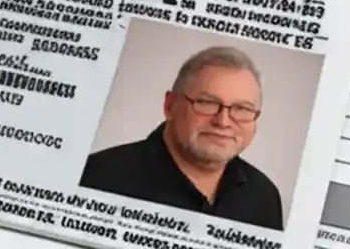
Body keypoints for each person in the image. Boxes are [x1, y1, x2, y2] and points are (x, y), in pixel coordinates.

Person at [78, 46, 284, 230]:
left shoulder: (263, 196)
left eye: (242, 108)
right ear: (170, 106)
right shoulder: (97, 177)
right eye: (207, 103)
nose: (223, 122)